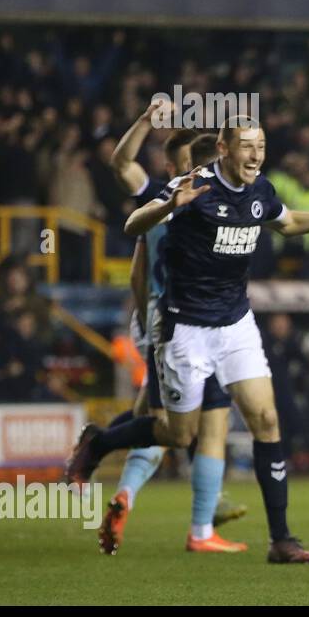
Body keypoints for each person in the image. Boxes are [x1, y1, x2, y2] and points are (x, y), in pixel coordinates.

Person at [67, 116, 309, 563]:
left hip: (234, 324)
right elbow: (133, 225)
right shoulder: (194, 187)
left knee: (266, 420)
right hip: (185, 327)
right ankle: (99, 443)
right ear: (226, 150)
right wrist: (169, 204)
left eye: (261, 146)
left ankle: (282, 540)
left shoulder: (260, 190)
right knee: (176, 433)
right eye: (247, 147)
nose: (256, 155)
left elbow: (285, 223)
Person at [99, 107, 247, 554]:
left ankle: (137, 491)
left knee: (164, 418)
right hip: (178, 321)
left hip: (180, 321)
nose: (197, 170)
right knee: (186, 422)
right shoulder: (166, 197)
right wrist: (145, 120)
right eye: (190, 163)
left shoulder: (207, 198)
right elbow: (123, 167)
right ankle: (200, 519)